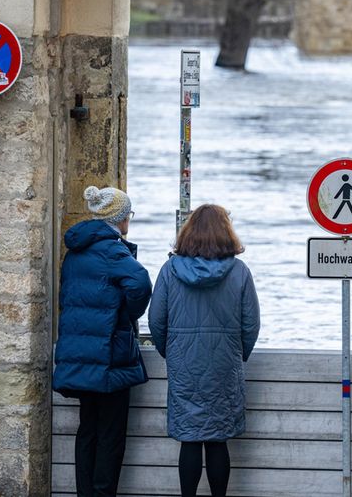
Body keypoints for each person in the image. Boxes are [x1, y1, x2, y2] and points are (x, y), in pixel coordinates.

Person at [148, 204, 260, 497]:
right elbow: (251, 325)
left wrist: (171, 352)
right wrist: (237, 355)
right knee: (217, 439)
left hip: (184, 364)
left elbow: (156, 321)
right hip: (224, 364)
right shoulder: (239, 271)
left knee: (190, 437)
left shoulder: (170, 270)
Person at [52, 186, 152, 497]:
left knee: (88, 430)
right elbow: (141, 283)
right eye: (129, 216)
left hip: (79, 354)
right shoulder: (112, 250)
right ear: (120, 219)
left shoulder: (76, 250)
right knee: (110, 434)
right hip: (108, 355)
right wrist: (125, 316)